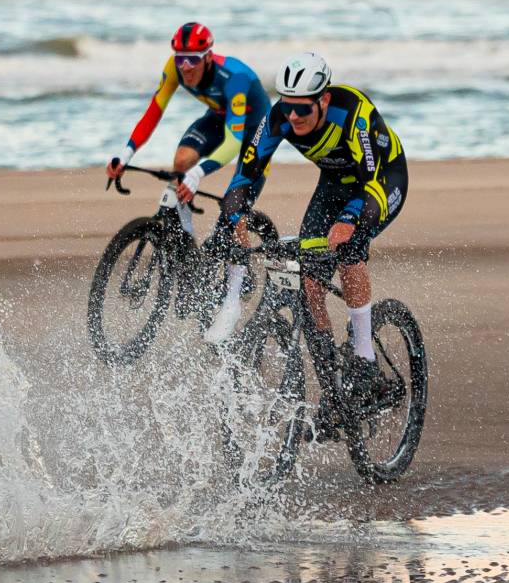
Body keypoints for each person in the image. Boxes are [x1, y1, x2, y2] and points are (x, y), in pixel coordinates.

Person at [215, 52, 408, 390]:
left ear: (325, 99)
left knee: (349, 248)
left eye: (303, 108)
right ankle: (333, 387)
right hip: (333, 185)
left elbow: (371, 180)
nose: (293, 115)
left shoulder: (353, 114)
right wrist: (234, 217)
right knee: (309, 282)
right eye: (288, 105)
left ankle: (364, 356)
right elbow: (245, 174)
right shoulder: (281, 118)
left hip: (381, 182)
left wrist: (349, 221)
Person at [105, 21, 270, 236]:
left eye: (193, 59)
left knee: (233, 210)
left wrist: (198, 174)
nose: (185, 66)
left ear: (208, 57)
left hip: (257, 130)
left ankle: (238, 270)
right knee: (182, 161)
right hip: (220, 116)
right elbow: (153, 112)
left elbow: (233, 142)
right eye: (180, 58)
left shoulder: (234, 79)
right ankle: (186, 241)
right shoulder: (174, 68)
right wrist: (126, 155)